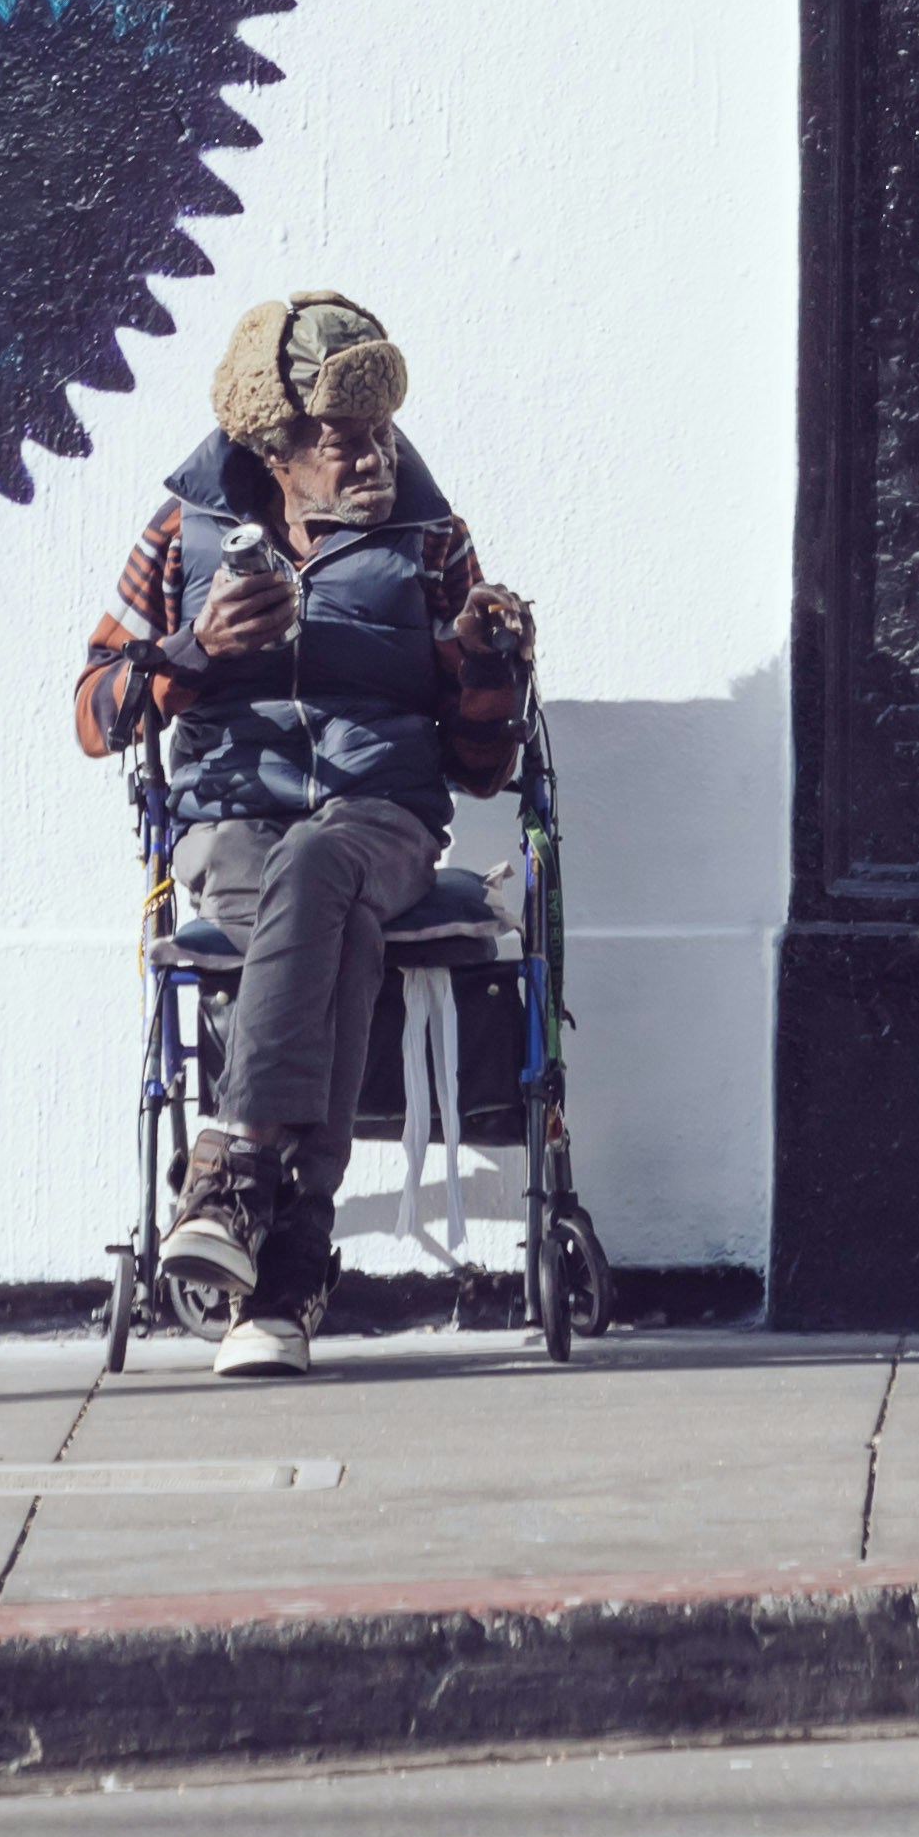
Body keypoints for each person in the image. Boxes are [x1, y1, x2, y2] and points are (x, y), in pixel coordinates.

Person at [69, 290, 535, 1380]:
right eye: (344, 438)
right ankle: (286, 1272)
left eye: (381, 428)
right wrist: (190, 649)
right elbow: (94, 711)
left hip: (381, 818)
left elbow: (480, 765)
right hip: (232, 819)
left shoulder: (432, 541)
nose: (375, 455)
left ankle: (227, 1171)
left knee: (320, 866)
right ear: (274, 449)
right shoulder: (182, 534)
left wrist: (482, 662)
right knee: (319, 920)